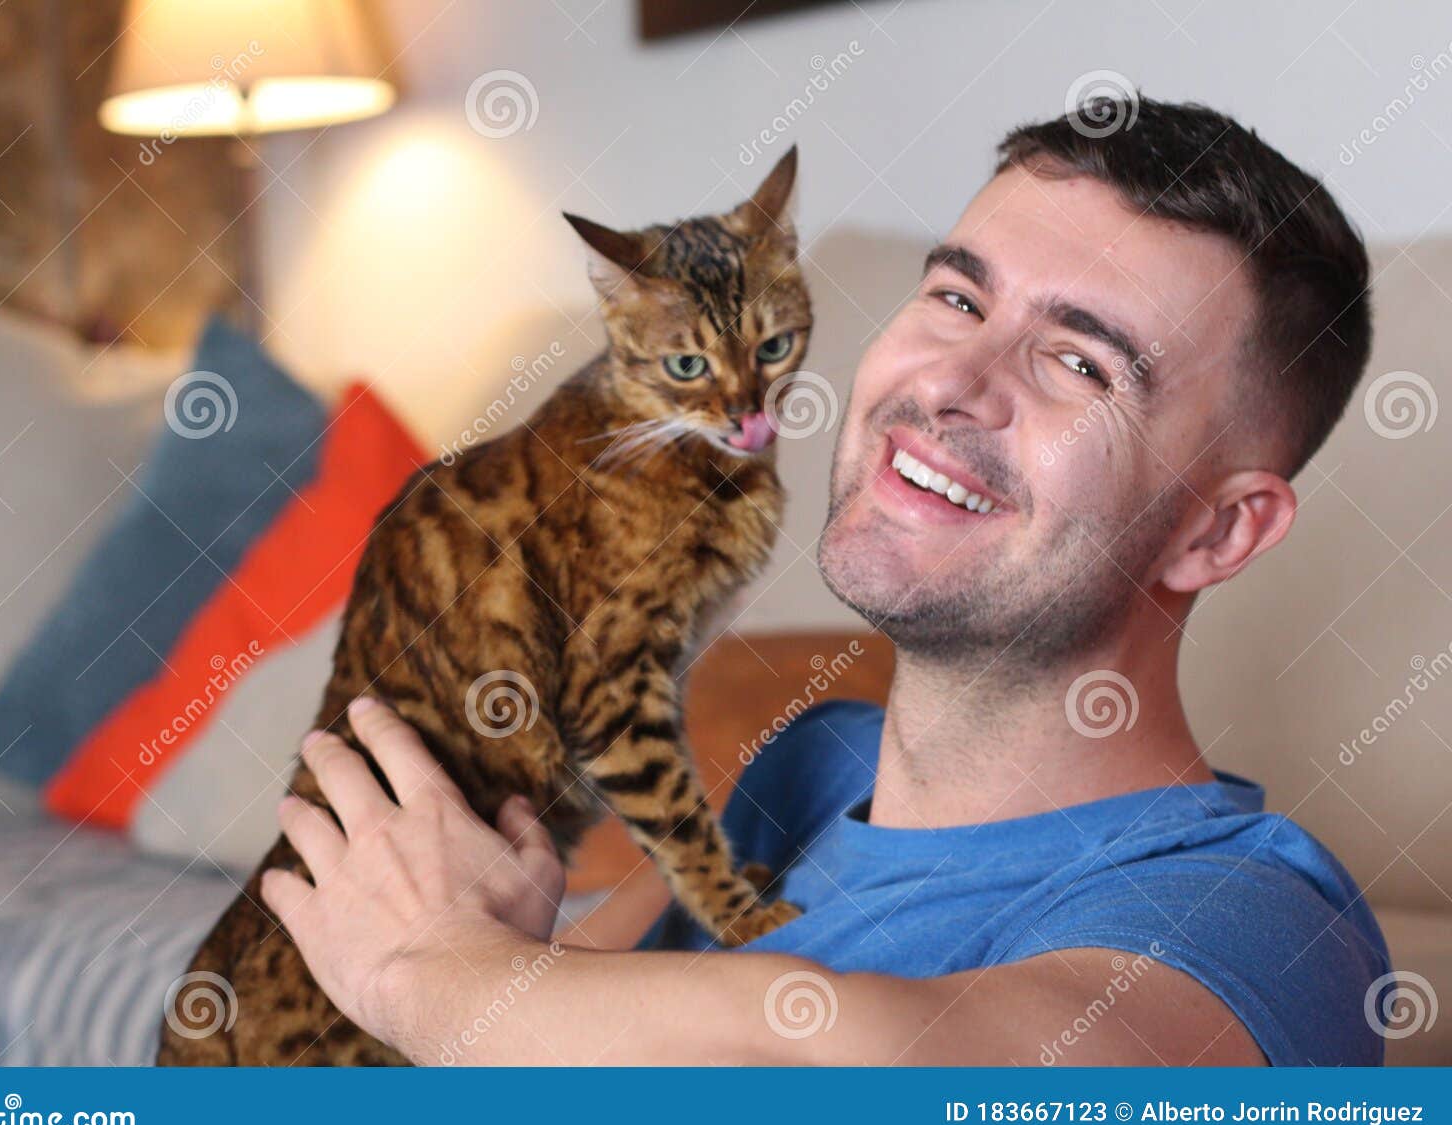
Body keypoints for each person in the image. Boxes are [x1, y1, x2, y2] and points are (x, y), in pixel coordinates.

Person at [260, 97, 1389, 1066]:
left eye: (1078, 360)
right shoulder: (804, 764)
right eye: (955, 297)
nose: (950, 379)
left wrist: (439, 979)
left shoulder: (1255, 923)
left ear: (1216, 530)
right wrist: (486, 959)